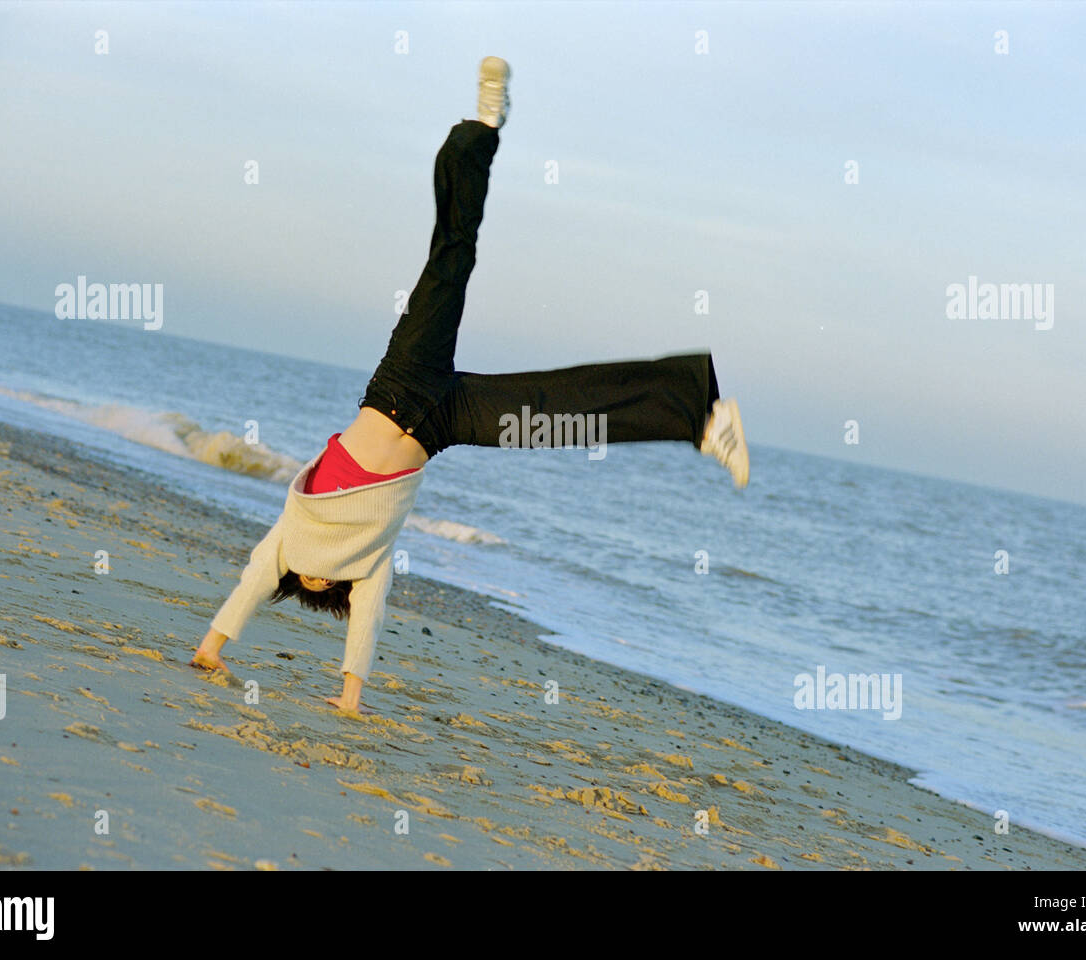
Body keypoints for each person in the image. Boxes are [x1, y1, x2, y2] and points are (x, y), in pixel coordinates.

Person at [191, 57, 749, 714]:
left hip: (402, 381)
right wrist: (350, 695)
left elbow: (251, 581)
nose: (315, 575)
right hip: (442, 424)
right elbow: (366, 624)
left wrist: (211, 646)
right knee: (558, 418)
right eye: (322, 586)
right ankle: (700, 416)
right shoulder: (364, 564)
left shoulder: (287, 537)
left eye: (306, 580)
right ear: (330, 588)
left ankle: (482, 127)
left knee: (451, 256)